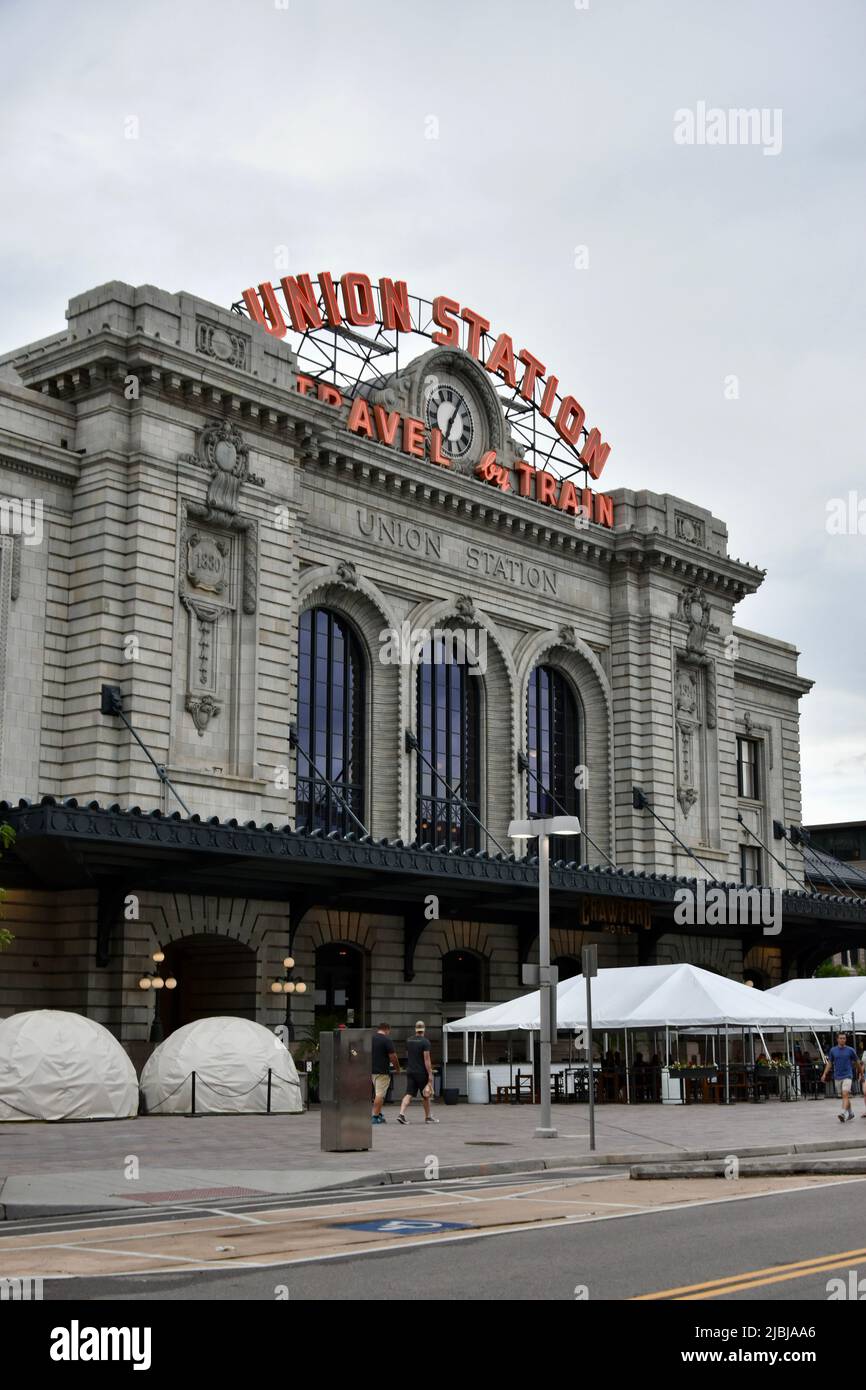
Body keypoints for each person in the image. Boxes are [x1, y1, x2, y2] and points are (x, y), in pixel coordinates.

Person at [397, 1021, 438, 1124]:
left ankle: (401, 1114)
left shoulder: (408, 1041)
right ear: (424, 1029)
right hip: (421, 1072)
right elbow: (427, 1060)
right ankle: (428, 1117)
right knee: (426, 1095)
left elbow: (408, 1055)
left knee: (409, 1093)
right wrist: (430, 1073)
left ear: (415, 1029)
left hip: (410, 1071)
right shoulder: (425, 1042)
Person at [821, 1031, 861, 1122]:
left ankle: (843, 1113)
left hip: (848, 1075)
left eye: (844, 1038)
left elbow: (857, 1062)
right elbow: (830, 1063)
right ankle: (850, 1113)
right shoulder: (833, 1050)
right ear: (837, 1039)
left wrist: (860, 1073)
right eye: (841, 1038)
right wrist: (824, 1074)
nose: (842, 1040)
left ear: (845, 1039)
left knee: (845, 1094)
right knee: (844, 1095)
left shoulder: (850, 1050)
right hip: (837, 1076)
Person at [371, 1022, 399, 1125]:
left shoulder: (371, 1039)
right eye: (389, 1031)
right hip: (382, 1071)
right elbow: (393, 1057)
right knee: (380, 1095)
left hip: (371, 1071)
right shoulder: (387, 1040)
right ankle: (374, 1117)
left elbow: (360, 1052)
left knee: (378, 1093)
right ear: (387, 1029)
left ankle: (379, 1114)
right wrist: (397, 1069)